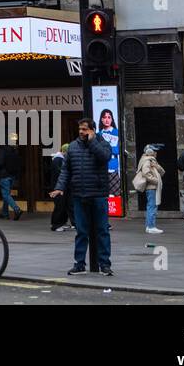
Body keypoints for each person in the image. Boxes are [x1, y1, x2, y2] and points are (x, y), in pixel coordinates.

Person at [51, 118, 114, 276]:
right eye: (80, 129)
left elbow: (105, 157)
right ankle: (79, 264)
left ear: (92, 130)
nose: (81, 132)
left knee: (102, 231)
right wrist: (59, 187)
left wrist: (93, 142)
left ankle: (104, 264)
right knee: (81, 231)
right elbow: (66, 170)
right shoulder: (73, 147)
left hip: (98, 194)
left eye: (85, 129)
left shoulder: (102, 143)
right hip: (79, 194)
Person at [135, 143, 165, 234]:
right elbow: (146, 173)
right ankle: (151, 226)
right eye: (155, 151)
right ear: (150, 152)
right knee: (152, 206)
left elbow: (162, 172)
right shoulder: (147, 160)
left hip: (151, 187)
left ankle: (149, 226)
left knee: (151, 206)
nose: (156, 153)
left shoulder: (151, 160)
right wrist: (156, 181)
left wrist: (156, 166)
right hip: (152, 187)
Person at [0, 133, 24, 221]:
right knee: (6, 195)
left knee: (6, 194)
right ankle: (5, 213)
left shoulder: (3, 150)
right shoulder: (14, 150)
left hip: (4, 175)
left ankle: (17, 209)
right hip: (12, 176)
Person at [49, 144, 73, 232]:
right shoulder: (58, 160)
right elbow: (60, 174)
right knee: (59, 206)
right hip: (58, 187)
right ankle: (55, 224)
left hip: (61, 186)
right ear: (64, 151)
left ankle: (62, 222)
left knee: (63, 205)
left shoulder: (61, 159)